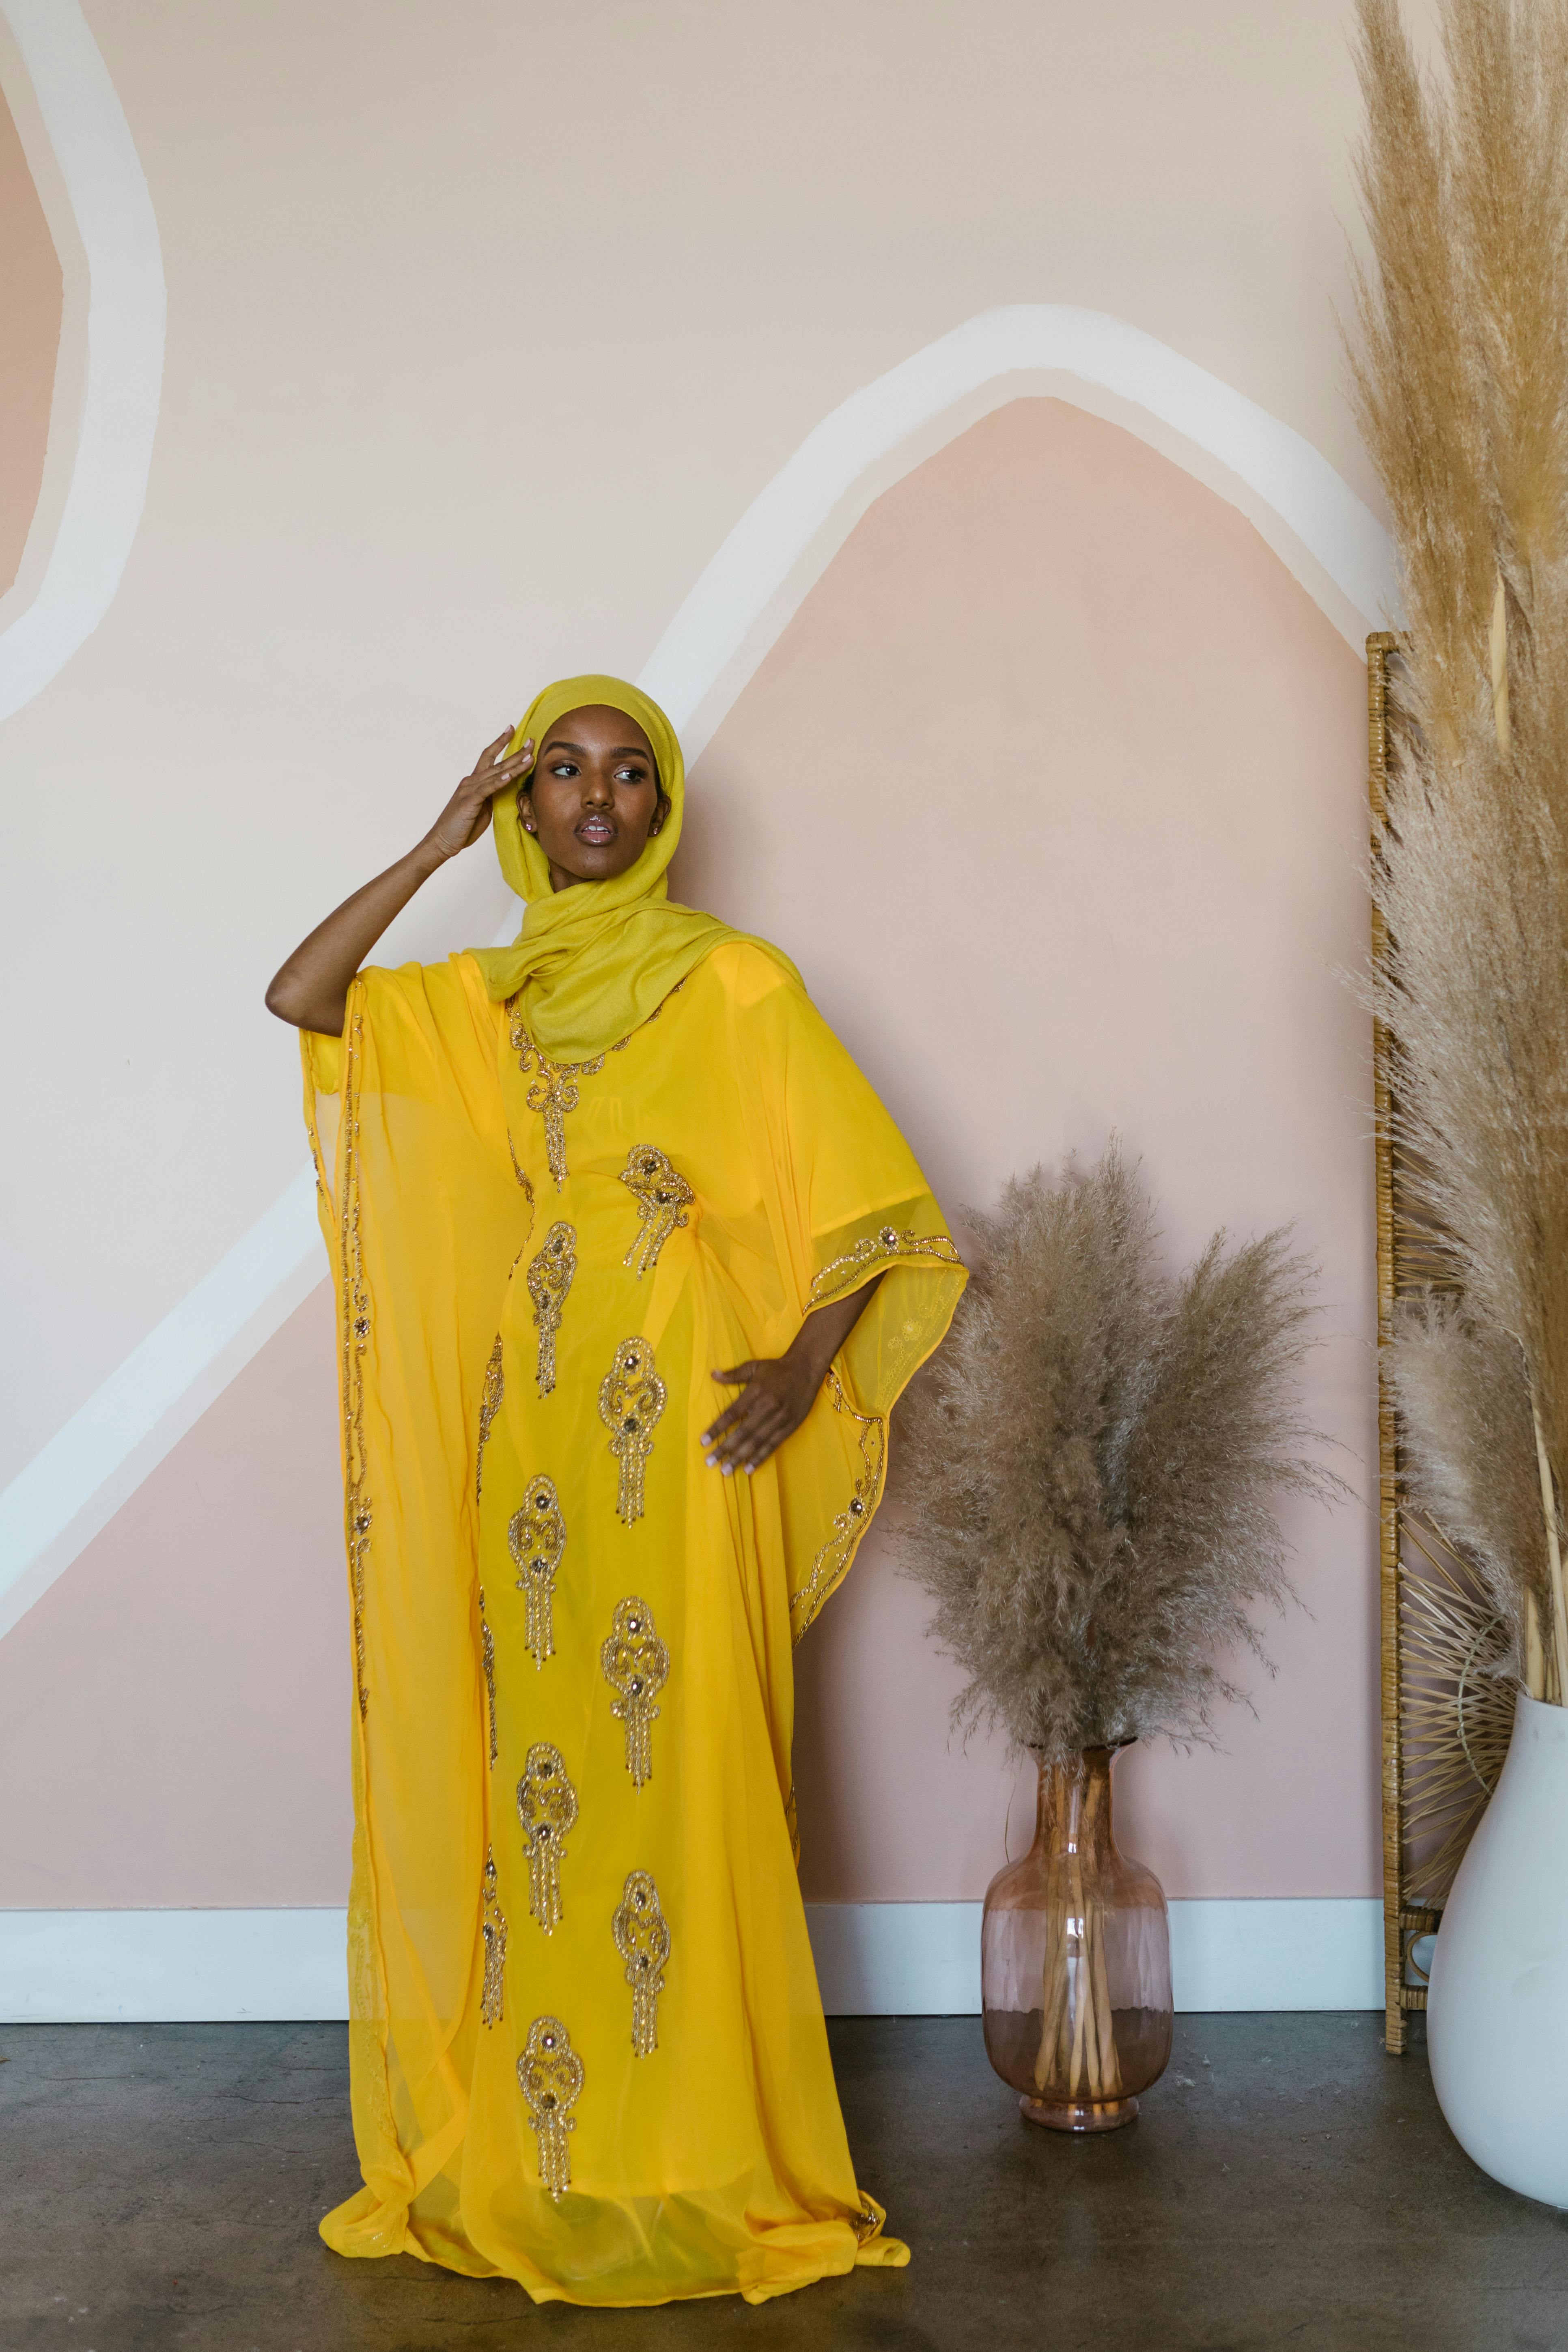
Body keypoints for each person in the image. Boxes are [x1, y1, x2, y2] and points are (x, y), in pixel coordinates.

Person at [267, 674, 965, 2307]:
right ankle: (554, 2151)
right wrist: (436, 840)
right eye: (563, 773)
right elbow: (304, 994)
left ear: (664, 809)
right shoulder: (492, 1002)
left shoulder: (735, 981)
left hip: (691, 1424)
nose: (596, 797)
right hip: (540, 1445)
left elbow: (879, 1209)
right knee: (552, 1790)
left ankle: (706, 2152)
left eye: (629, 771)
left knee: (686, 1763)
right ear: (526, 811)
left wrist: (803, 1368)